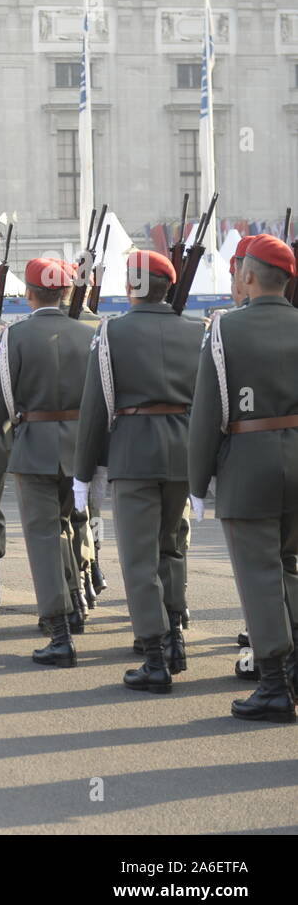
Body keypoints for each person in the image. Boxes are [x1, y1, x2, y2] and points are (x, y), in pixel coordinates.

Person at [74, 250, 202, 694]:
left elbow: (95, 408)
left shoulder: (112, 332)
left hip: (133, 454)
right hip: (183, 451)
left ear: (131, 286)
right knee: (172, 547)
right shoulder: (198, 331)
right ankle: (175, 636)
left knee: (138, 559)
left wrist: (84, 471)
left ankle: (154, 655)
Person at [188, 235, 298, 722]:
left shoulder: (224, 329)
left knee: (259, 575)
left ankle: (273, 685)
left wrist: (197, 482)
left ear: (248, 276)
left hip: (248, 465)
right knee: (289, 566)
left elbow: (206, 414)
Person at [0, 258, 95, 665]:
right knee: (64, 527)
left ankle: (59, 634)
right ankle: (74, 602)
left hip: (35, 449)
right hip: (78, 448)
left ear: (28, 293)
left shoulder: (16, 336)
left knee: (44, 538)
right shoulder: (90, 334)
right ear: (66, 292)